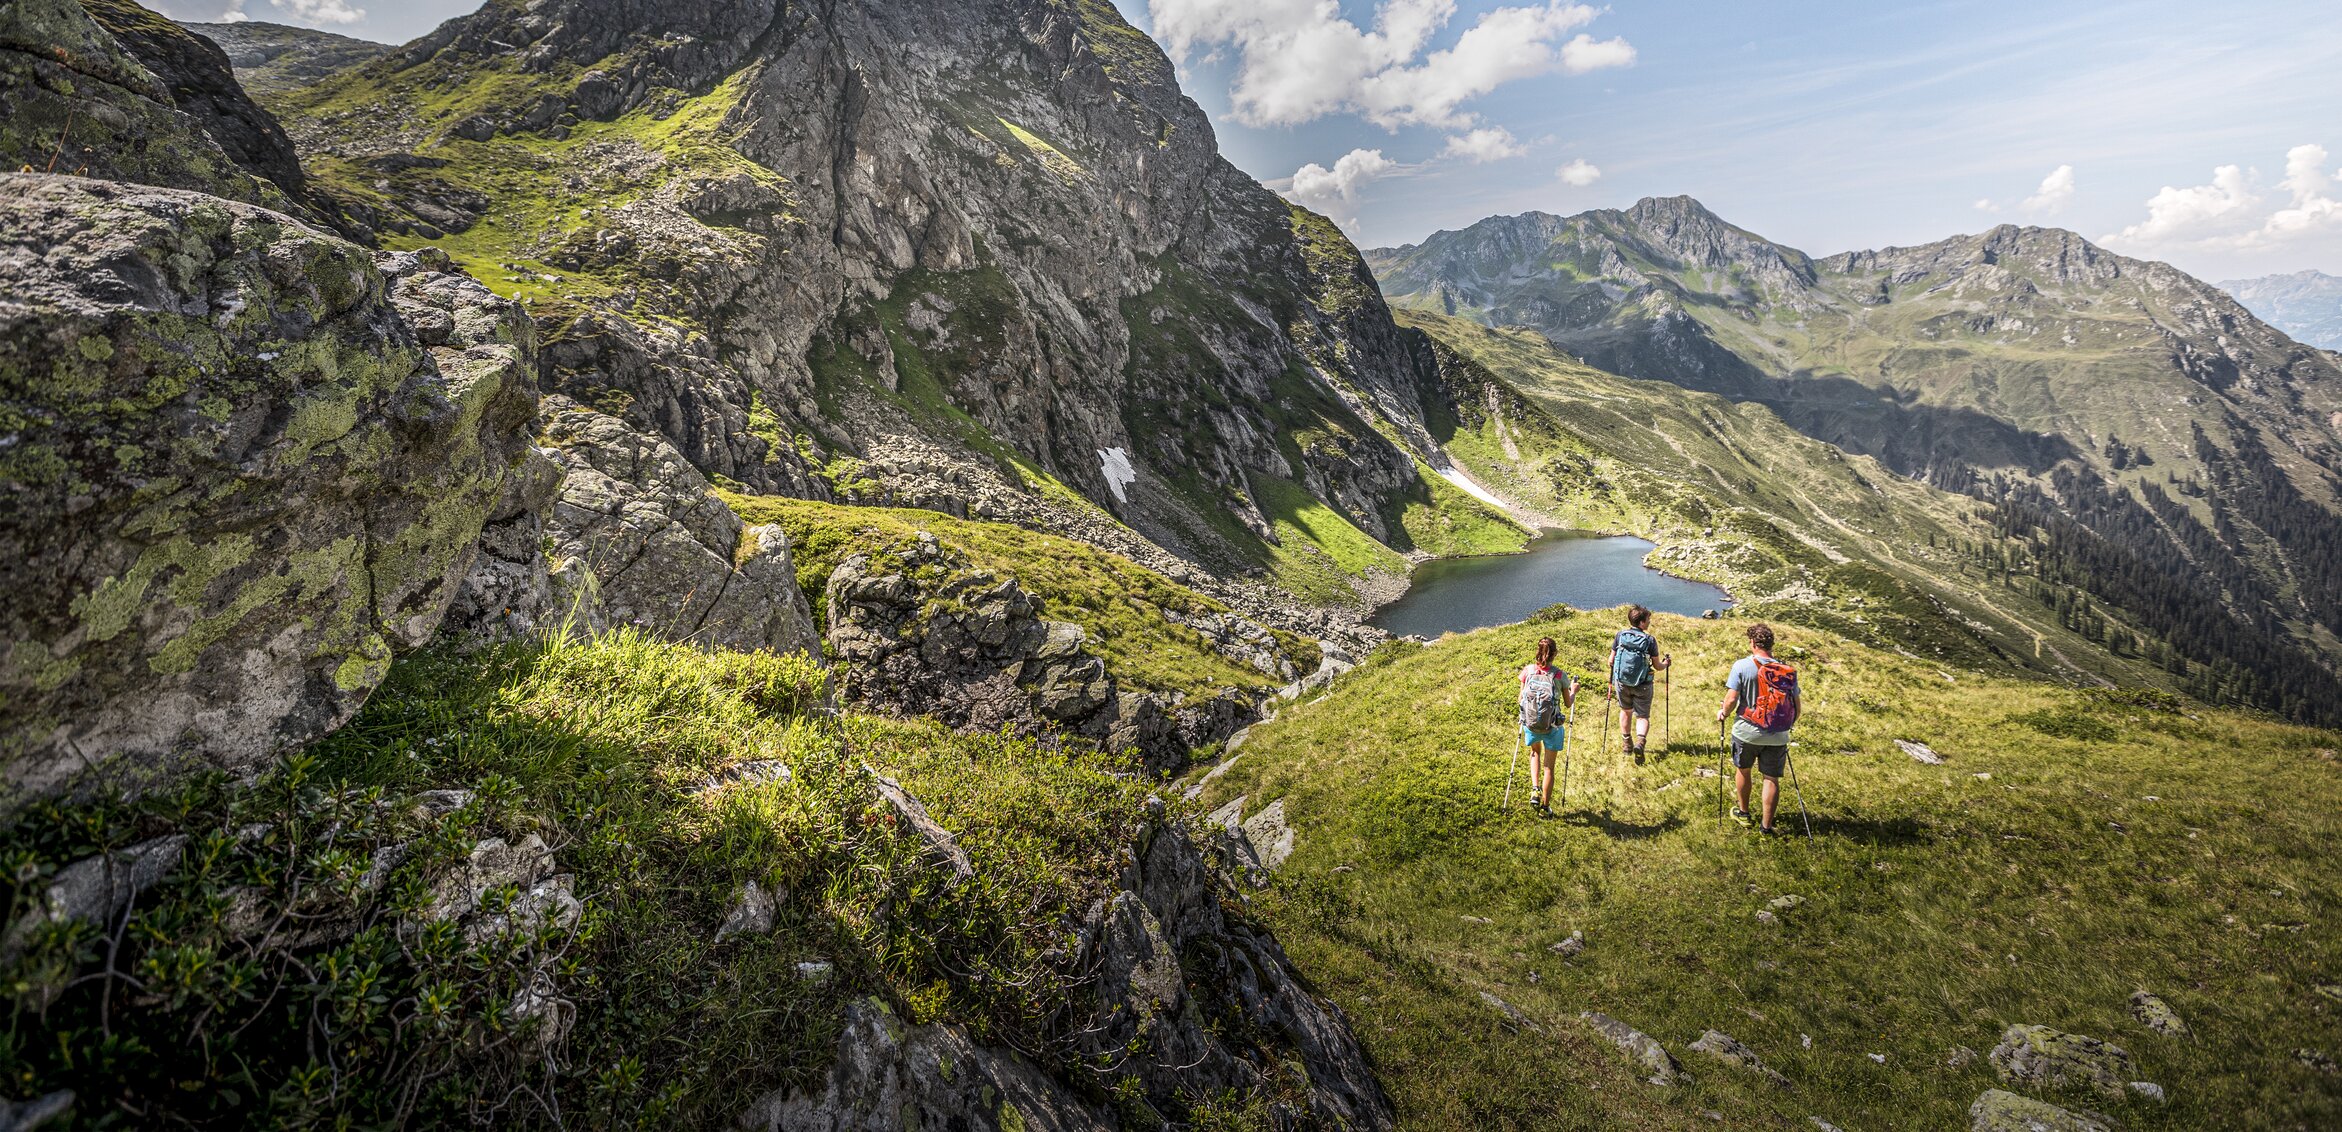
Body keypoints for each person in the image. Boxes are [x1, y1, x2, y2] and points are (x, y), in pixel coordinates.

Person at [1716, 622, 1800, 835]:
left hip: (1747, 731)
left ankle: (1744, 813)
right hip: (1777, 735)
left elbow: (1731, 699)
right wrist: (1785, 726)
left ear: (1753, 643)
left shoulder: (1741, 666)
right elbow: (1797, 707)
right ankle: (1766, 827)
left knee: (1743, 770)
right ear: (1772, 644)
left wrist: (1723, 713)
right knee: (1771, 778)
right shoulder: (1786, 670)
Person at [1518, 637, 1580, 817]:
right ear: (1555, 654)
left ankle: (1535, 789)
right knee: (1549, 768)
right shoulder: (1559, 675)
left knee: (1535, 752)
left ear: (1537, 651)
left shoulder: (1528, 671)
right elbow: (1568, 703)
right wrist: (1574, 690)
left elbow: (1520, 699)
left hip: (1531, 724)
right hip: (1552, 727)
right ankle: (1545, 808)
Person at [1609, 605, 1671, 763]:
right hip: (1643, 684)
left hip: (1622, 682)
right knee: (1642, 716)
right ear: (1642, 622)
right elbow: (1657, 666)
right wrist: (1666, 663)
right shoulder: (1649, 640)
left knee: (1626, 711)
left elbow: (1610, 661)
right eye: (1648, 619)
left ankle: (1626, 744)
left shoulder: (1620, 635)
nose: (1649, 622)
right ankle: (1640, 743)